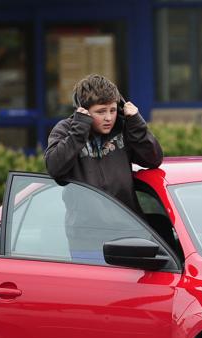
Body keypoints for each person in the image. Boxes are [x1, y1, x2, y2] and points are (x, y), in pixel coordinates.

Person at [44, 74, 163, 262]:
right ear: (82, 111)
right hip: (86, 239)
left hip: (131, 234)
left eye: (113, 110)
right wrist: (80, 129)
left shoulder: (125, 126)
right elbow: (55, 168)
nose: (109, 118)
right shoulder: (66, 130)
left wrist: (136, 122)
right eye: (101, 112)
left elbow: (153, 159)